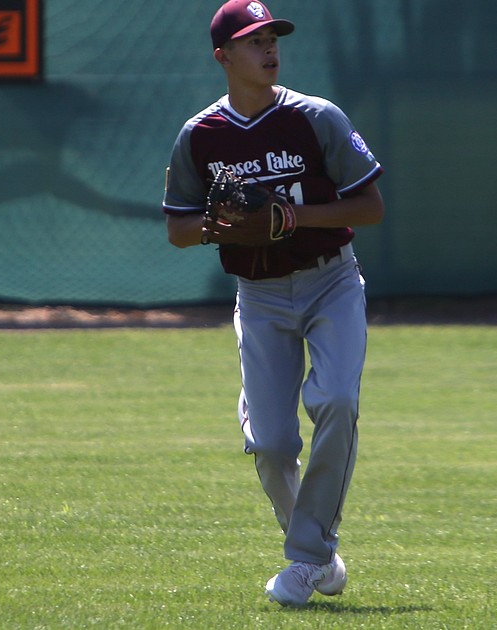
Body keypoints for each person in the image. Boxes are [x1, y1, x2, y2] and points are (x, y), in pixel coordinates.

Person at [160, 0, 384, 607]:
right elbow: (179, 228)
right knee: (271, 444)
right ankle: (318, 551)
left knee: (336, 400)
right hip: (258, 295)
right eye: (254, 40)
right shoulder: (202, 135)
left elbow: (370, 207)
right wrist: (223, 228)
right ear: (224, 56)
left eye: (272, 37)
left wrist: (290, 215)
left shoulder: (316, 118)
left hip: (330, 281)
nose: (269, 48)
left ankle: (307, 558)